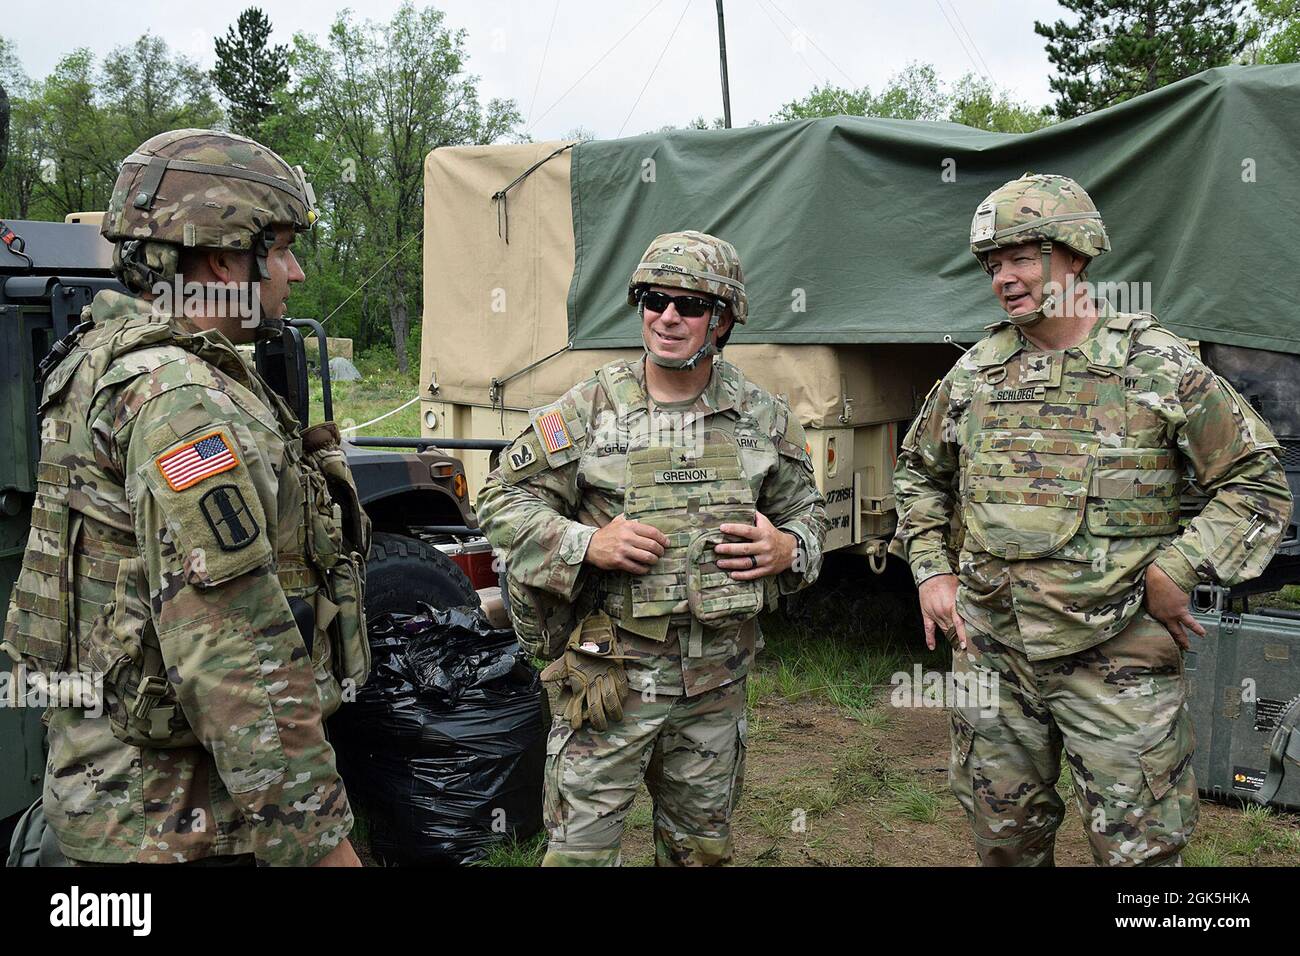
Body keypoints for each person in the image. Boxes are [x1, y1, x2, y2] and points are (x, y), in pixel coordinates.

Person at [890, 173, 1292, 866]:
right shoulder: (975, 373)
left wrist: (1178, 565)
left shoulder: (1155, 366)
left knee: (1138, 855)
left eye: (1020, 257)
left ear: (1073, 254)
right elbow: (919, 474)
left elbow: (1256, 483)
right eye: (992, 265)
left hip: (1117, 658)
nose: (1003, 279)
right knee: (1003, 842)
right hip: (994, 656)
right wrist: (930, 572)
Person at [1, 129, 370, 866]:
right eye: (284, 248)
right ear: (225, 255)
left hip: (109, 802)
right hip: (176, 822)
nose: (293, 273)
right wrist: (322, 847)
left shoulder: (99, 357)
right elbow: (236, 654)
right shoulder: (180, 398)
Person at [477, 230, 828, 866]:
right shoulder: (590, 409)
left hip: (714, 688)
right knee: (578, 855)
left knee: (701, 852)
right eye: (653, 298)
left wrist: (787, 548)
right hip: (608, 677)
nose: (667, 316)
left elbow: (809, 515)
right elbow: (500, 500)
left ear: (722, 320)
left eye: (689, 305)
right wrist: (586, 542)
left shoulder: (762, 417)